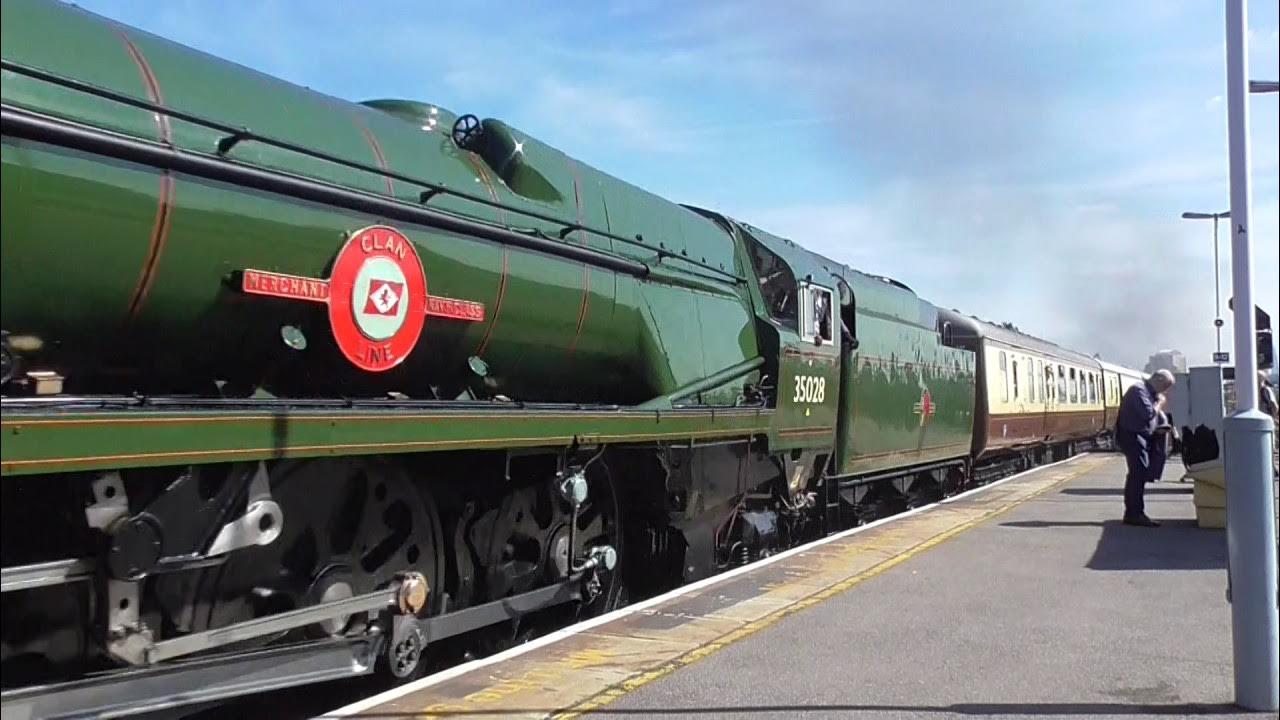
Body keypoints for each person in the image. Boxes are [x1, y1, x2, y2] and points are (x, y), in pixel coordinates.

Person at [1114, 369, 1176, 526]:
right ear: (1159, 380)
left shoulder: (1147, 393)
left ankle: (1134, 512)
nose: (1165, 391)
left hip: (1140, 436)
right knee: (1138, 472)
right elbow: (1148, 413)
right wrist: (1160, 403)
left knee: (1140, 472)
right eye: (1166, 386)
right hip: (1133, 436)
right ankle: (1134, 513)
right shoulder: (1138, 391)